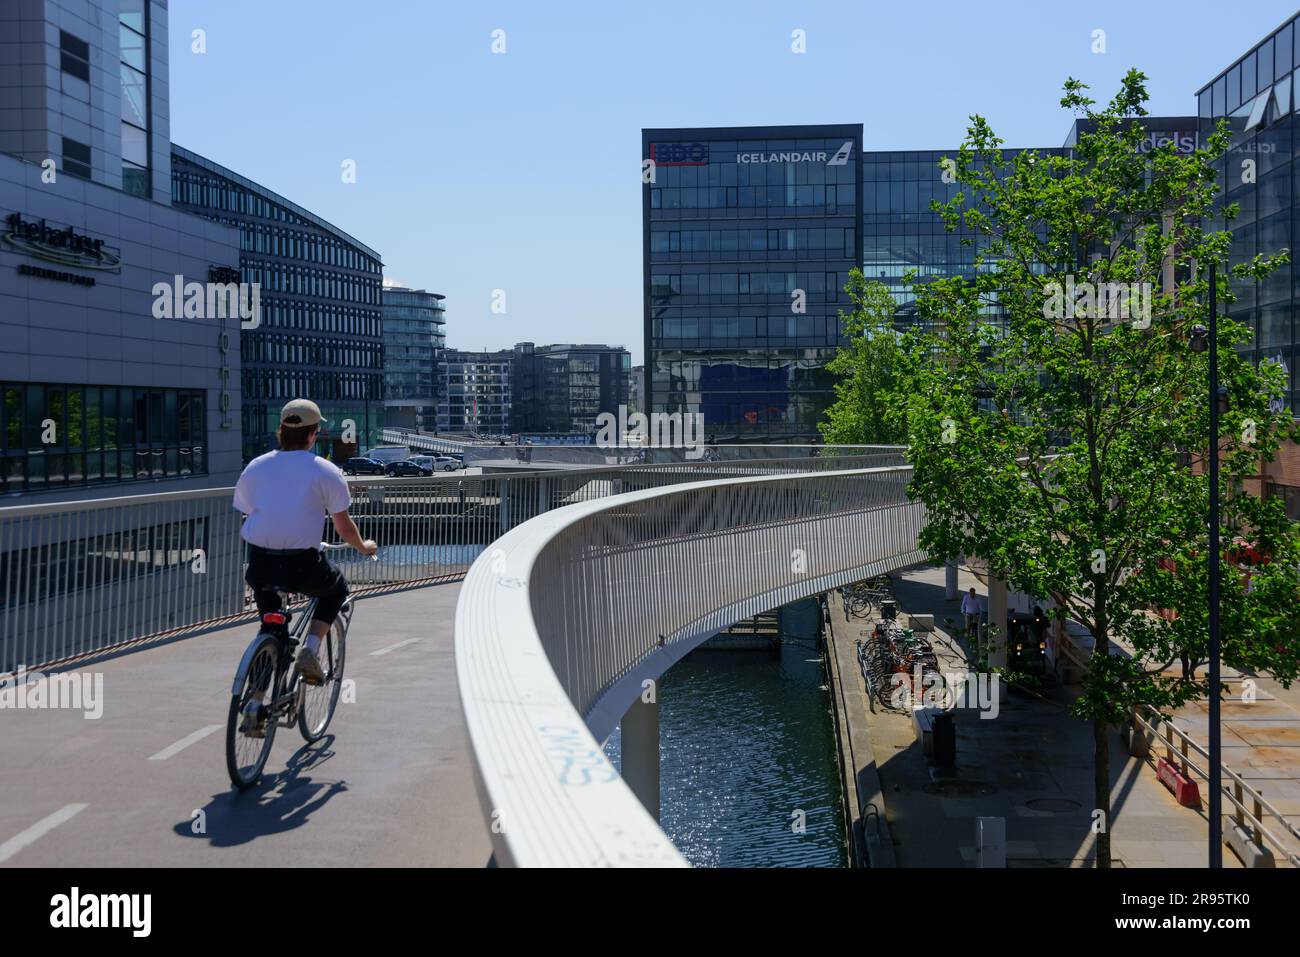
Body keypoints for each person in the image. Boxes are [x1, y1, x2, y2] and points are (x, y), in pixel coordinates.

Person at [233, 399, 377, 684]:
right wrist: (364, 547)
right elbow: (344, 528)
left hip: (260, 563)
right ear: (313, 434)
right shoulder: (325, 471)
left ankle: (256, 702)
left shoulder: (256, 467)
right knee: (335, 590)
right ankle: (310, 650)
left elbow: (249, 508)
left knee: (270, 627)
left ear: (281, 432)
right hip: (303, 565)